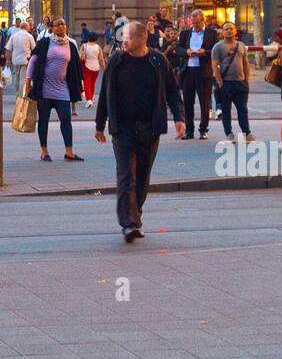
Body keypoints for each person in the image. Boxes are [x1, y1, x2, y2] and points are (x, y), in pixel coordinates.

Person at [94, 20, 184, 241]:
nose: (124, 41)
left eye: (129, 37)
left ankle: (135, 213)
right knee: (126, 175)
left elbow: (172, 90)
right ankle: (128, 223)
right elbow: (106, 93)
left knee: (142, 177)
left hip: (149, 128)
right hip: (122, 128)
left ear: (142, 38)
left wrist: (179, 118)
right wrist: (99, 124)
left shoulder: (157, 61)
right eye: (123, 36)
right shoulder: (116, 61)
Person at [26, 18, 84, 162]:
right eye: (57, 25)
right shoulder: (45, 43)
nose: (60, 27)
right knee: (43, 120)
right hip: (44, 89)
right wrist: (28, 82)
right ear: (52, 28)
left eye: (63, 24)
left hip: (62, 89)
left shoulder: (71, 45)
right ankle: (44, 151)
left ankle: (69, 152)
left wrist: (79, 86)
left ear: (66, 27)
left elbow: (76, 67)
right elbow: (33, 61)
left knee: (66, 119)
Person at [178, 8, 219, 139]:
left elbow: (215, 50)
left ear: (203, 20)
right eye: (192, 23)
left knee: (204, 102)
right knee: (188, 102)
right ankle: (189, 130)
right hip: (188, 70)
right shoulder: (185, 33)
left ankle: (203, 129)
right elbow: (178, 48)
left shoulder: (211, 33)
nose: (194, 25)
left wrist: (204, 52)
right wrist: (187, 52)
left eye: (197, 23)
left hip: (203, 71)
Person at [211, 20, 253, 142]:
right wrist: (220, 82)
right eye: (226, 29)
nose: (229, 30)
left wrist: (247, 79)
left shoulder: (241, 45)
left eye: (231, 28)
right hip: (226, 83)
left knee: (243, 109)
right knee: (226, 110)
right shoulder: (217, 47)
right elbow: (214, 66)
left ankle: (247, 133)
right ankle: (229, 133)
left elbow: (246, 64)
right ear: (222, 32)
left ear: (235, 31)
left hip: (241, 83)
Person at [79, 31, 104, 108]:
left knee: (87, 84)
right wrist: (105, 68)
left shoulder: (84, 46)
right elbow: (101, 59)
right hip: (96, 68)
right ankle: (91, 99)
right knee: (93, 84)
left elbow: (80, 57)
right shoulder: (98, 47)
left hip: (87, 67)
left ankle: (89, 99)